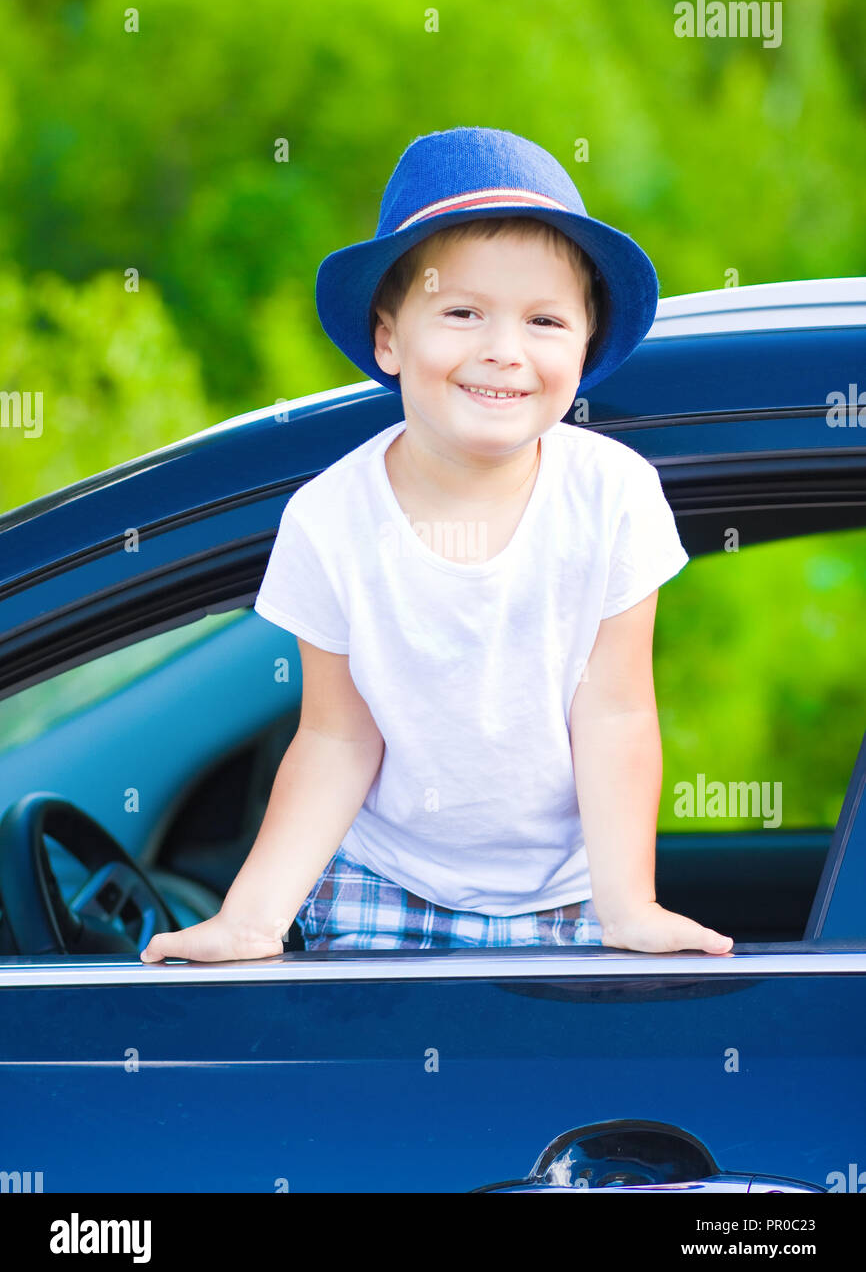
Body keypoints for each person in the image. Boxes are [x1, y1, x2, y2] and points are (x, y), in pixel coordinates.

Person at [141, 126, 734, 961]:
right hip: (380, 884)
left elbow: (616, 713)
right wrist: (251, 917)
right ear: (389, 337)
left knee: (538, 1092)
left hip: (565, 895)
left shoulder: (614, 495)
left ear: (586, 342)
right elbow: (337, 738)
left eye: (545, 320)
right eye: (462, 312)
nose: (504, 351)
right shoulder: (330, 519)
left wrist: (628, 905)